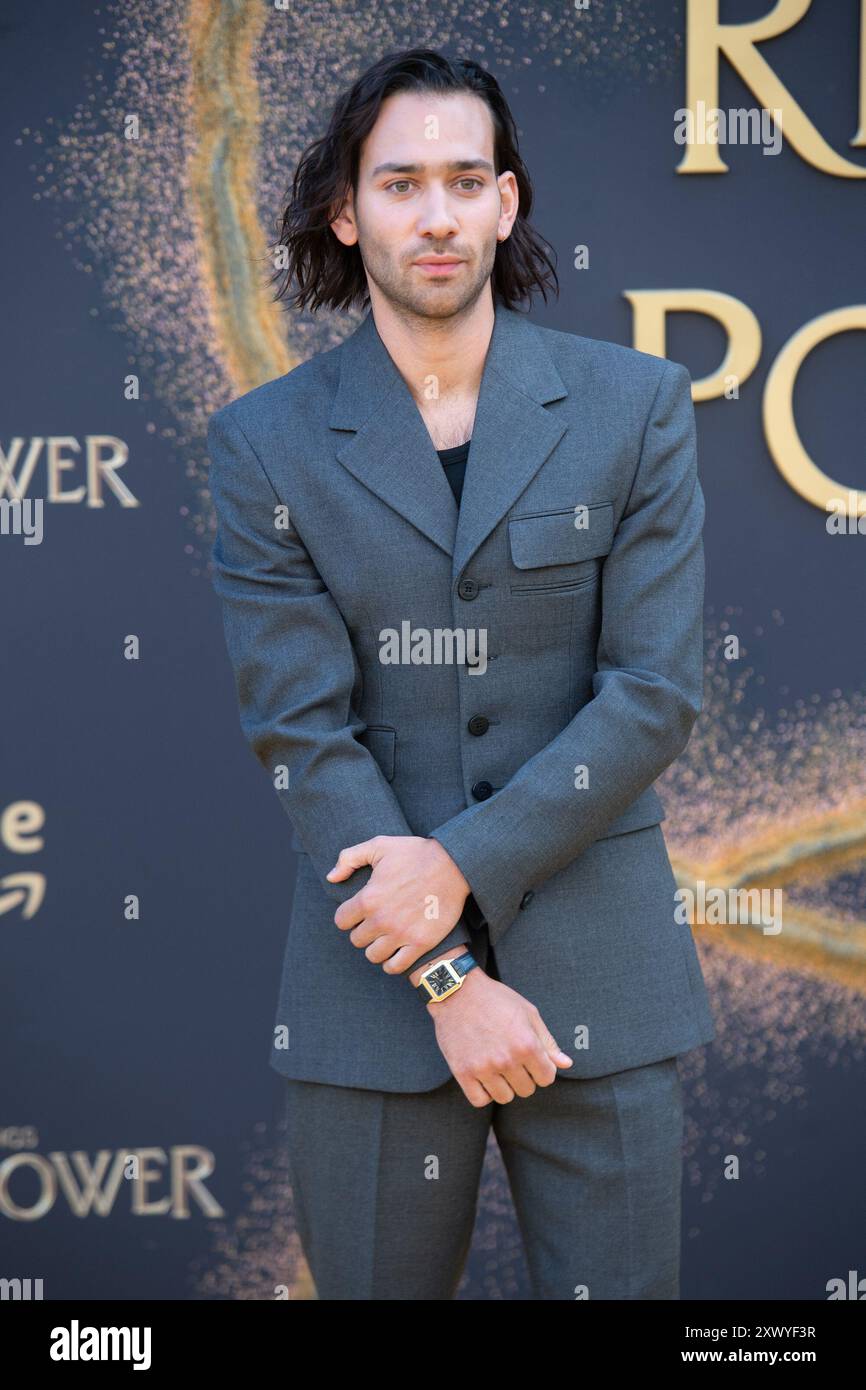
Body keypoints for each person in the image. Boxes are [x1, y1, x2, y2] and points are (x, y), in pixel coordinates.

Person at [207, 47, 715, 1300]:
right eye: (398, 183)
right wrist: (445, 969)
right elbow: (300, 731)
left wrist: (456, 870)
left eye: (463, 178)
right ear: (345, 211)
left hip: (601, 983)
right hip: (371, 997)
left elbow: (650, 693)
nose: (434, 213)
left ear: (507, 200)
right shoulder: (263, 444)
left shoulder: (635, 405)